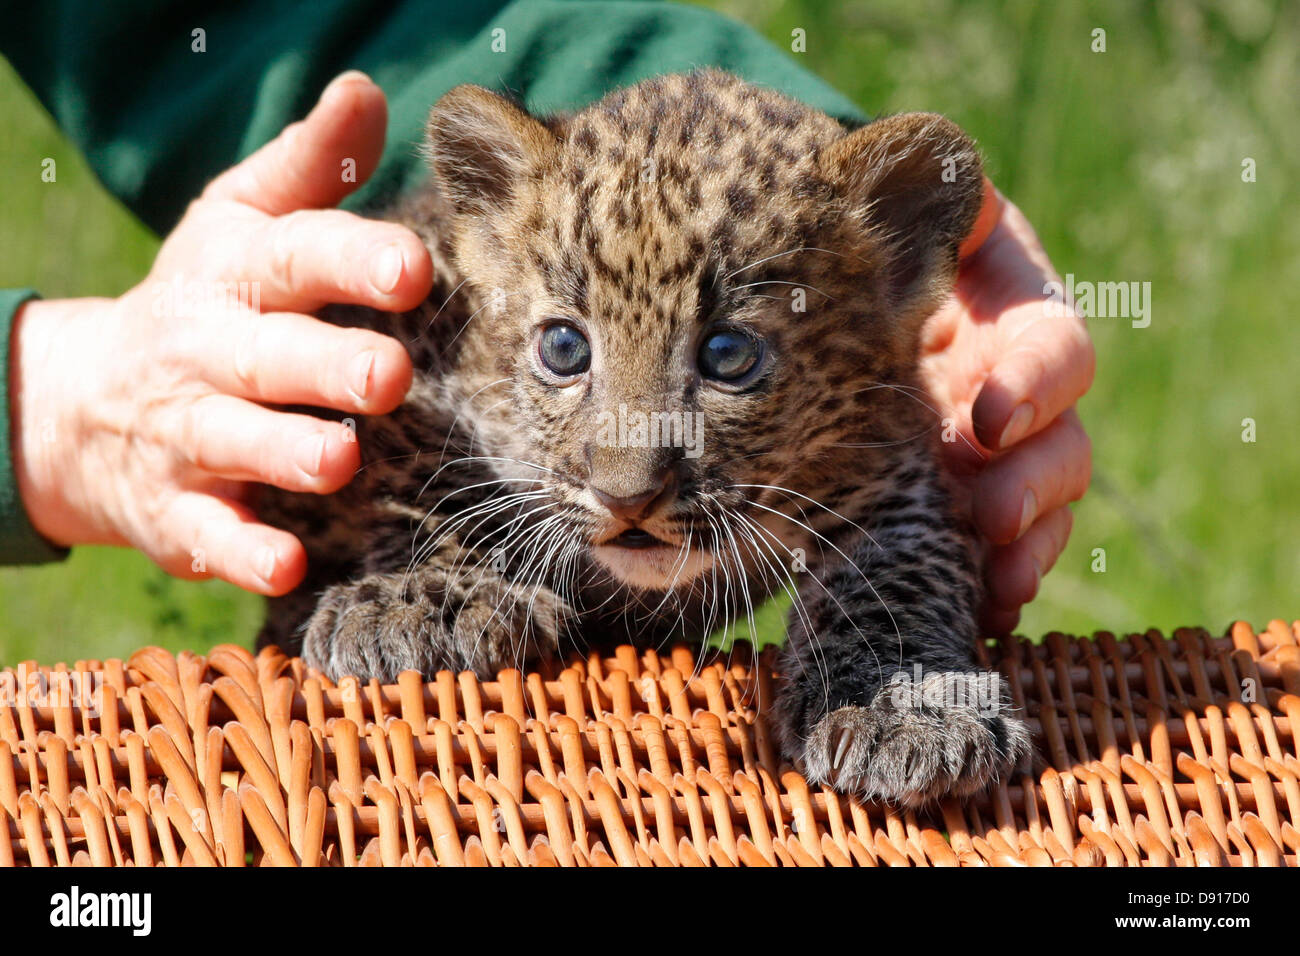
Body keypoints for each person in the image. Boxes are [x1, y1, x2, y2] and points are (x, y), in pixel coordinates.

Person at [0, 0, 1092, 633]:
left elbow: (310, 15)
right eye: (563, 350)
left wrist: (790, 181)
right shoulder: (446, 352)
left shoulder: (855, 333)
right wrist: (36, 402)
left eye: (729, 355)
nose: (627, 471)